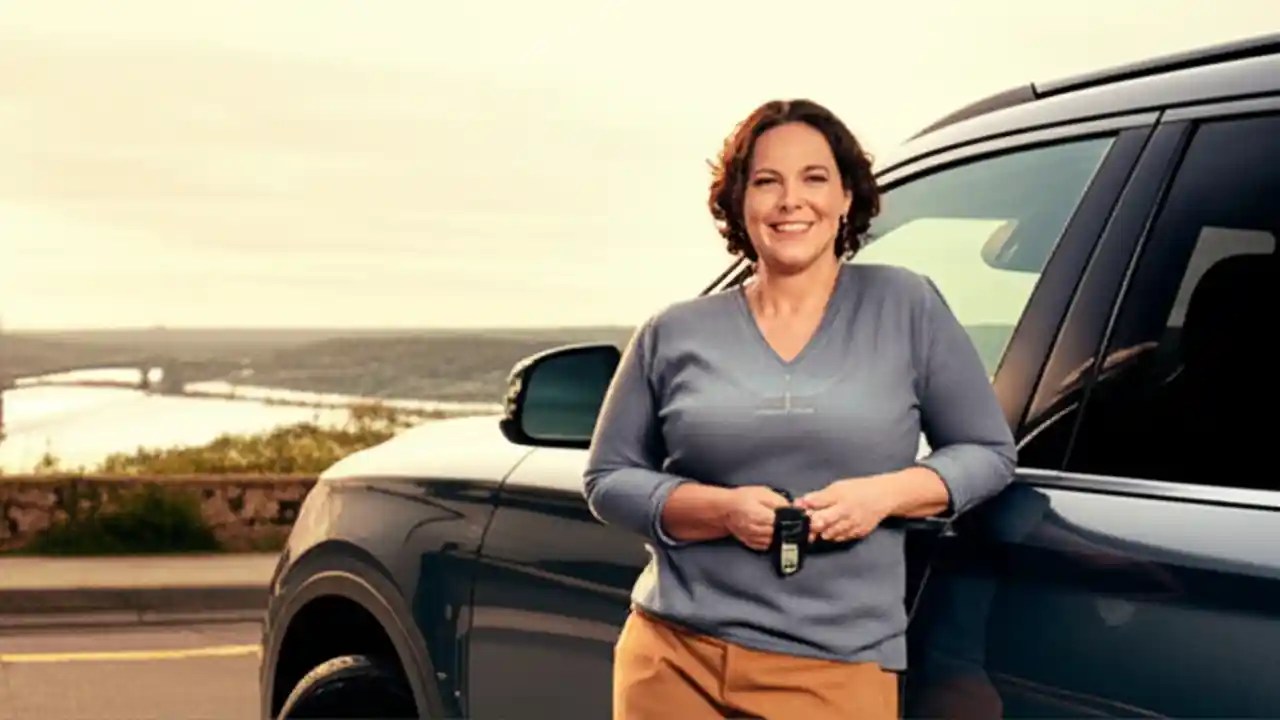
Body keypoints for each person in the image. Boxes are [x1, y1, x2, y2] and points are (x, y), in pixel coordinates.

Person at [582, 98, 1016, 719]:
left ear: (846, 198)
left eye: (814, 178)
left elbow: (989, 455)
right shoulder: (673, 331)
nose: (791, 201)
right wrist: (722, 511)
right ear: (738, 201)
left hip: (835, 668)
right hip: (672, 657)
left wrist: (884, 496)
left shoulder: (907, 306)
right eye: (767, 182)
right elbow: (608, 478)